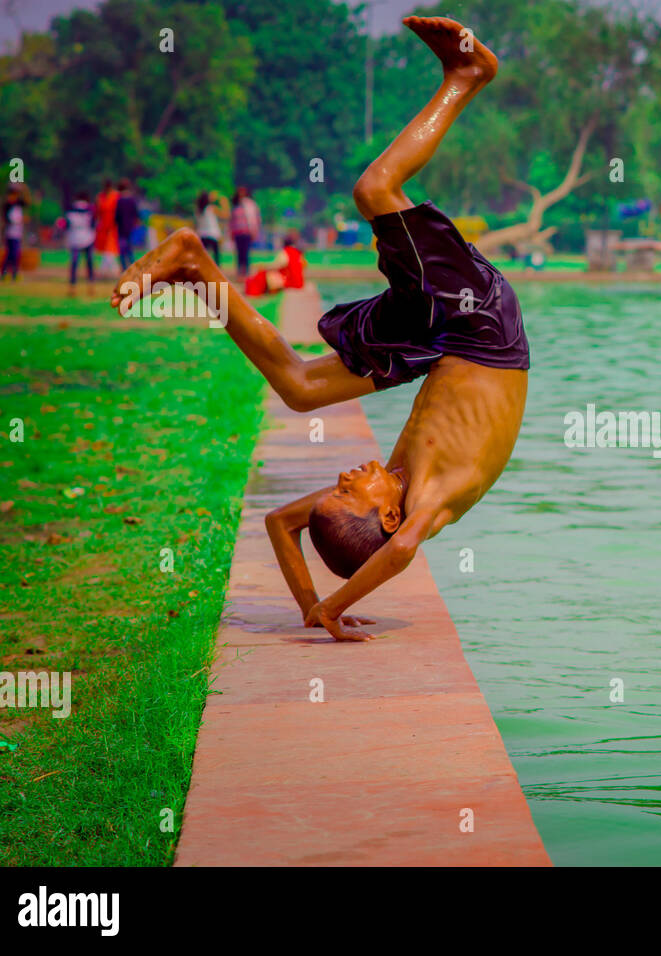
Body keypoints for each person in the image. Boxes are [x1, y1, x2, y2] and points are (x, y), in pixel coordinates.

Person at [110, 16, 526, 642]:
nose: (347, 473)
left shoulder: (386, 492)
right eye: (351, 488)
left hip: (437, 346)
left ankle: (194, 265)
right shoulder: (432, 501)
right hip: (479, 322)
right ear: (388, 512)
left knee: (301, 389)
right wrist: (335, 609)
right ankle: (467, 77)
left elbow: (280, 522)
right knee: (376, 188)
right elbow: (401, 552)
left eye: (337, 486)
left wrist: (308, 602)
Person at [244, 231, 305, 296]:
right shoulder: (298, 253)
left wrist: (263, 266)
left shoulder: (286, 252)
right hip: (299, 282)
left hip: (290, 281)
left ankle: (254, 292)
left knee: (264, 274)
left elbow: (277, 265)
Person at [62, 191, 97, 285]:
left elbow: (67, 224)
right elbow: (93, 224)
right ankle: (90, 280)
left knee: (74, 262)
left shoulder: (71, 209)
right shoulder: (90, 209)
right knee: (89, 261)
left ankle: (73, 281)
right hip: (88, 237)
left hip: (74, 237)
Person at [229, 185, 260, 278]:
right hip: (237, 232)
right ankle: (239, 272)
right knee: (239, 253)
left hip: (246, 232)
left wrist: (254, 231)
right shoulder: (235, 206)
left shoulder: (250, 205)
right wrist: (231, 232)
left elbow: (255, 219)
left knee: (246, 252)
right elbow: (232, 221)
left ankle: (245, 271)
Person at [0, 186, 26, 281]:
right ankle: (5, 273)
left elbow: (27, 201)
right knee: (11, 254)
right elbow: (8, 220)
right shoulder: (8, 206)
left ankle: (13, 273)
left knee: (15, 255)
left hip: (17, 233)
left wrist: (24, 188)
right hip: (10, 234)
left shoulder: (18, 206)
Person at [94, 179, 120, 277]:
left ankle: (110, 270)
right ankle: (108, 270)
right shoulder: (100, 197)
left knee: (111, 247)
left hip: (113, 226)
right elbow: (97, 211)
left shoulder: (116, 196)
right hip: (103, 226)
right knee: (106, 248)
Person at [114, 179, 139, 270]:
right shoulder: (132, 199)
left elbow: (117, 216)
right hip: (130, 228)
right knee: (130, 250)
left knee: (122, 251)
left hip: (121, 229)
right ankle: (133, 268)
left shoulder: (120, 200)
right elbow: (135, 214)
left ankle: (124, 270)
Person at [195, 190, 222, 260]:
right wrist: (223, 202)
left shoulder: (198, 209)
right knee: (216, 255)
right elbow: (225, 215)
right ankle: (216, 268)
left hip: (202, 234)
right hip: (212, 234)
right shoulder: (211, 208)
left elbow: (196, 223)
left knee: (202, 255)